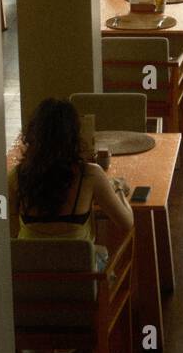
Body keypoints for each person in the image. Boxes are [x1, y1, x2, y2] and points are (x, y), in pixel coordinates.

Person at [7, 99, 134, 254]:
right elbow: (127, 223)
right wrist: (119, 188)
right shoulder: (90, 175)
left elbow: (9, 230)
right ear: (74, 135)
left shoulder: (16, 176)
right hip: (82, 275)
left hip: (31, 273)